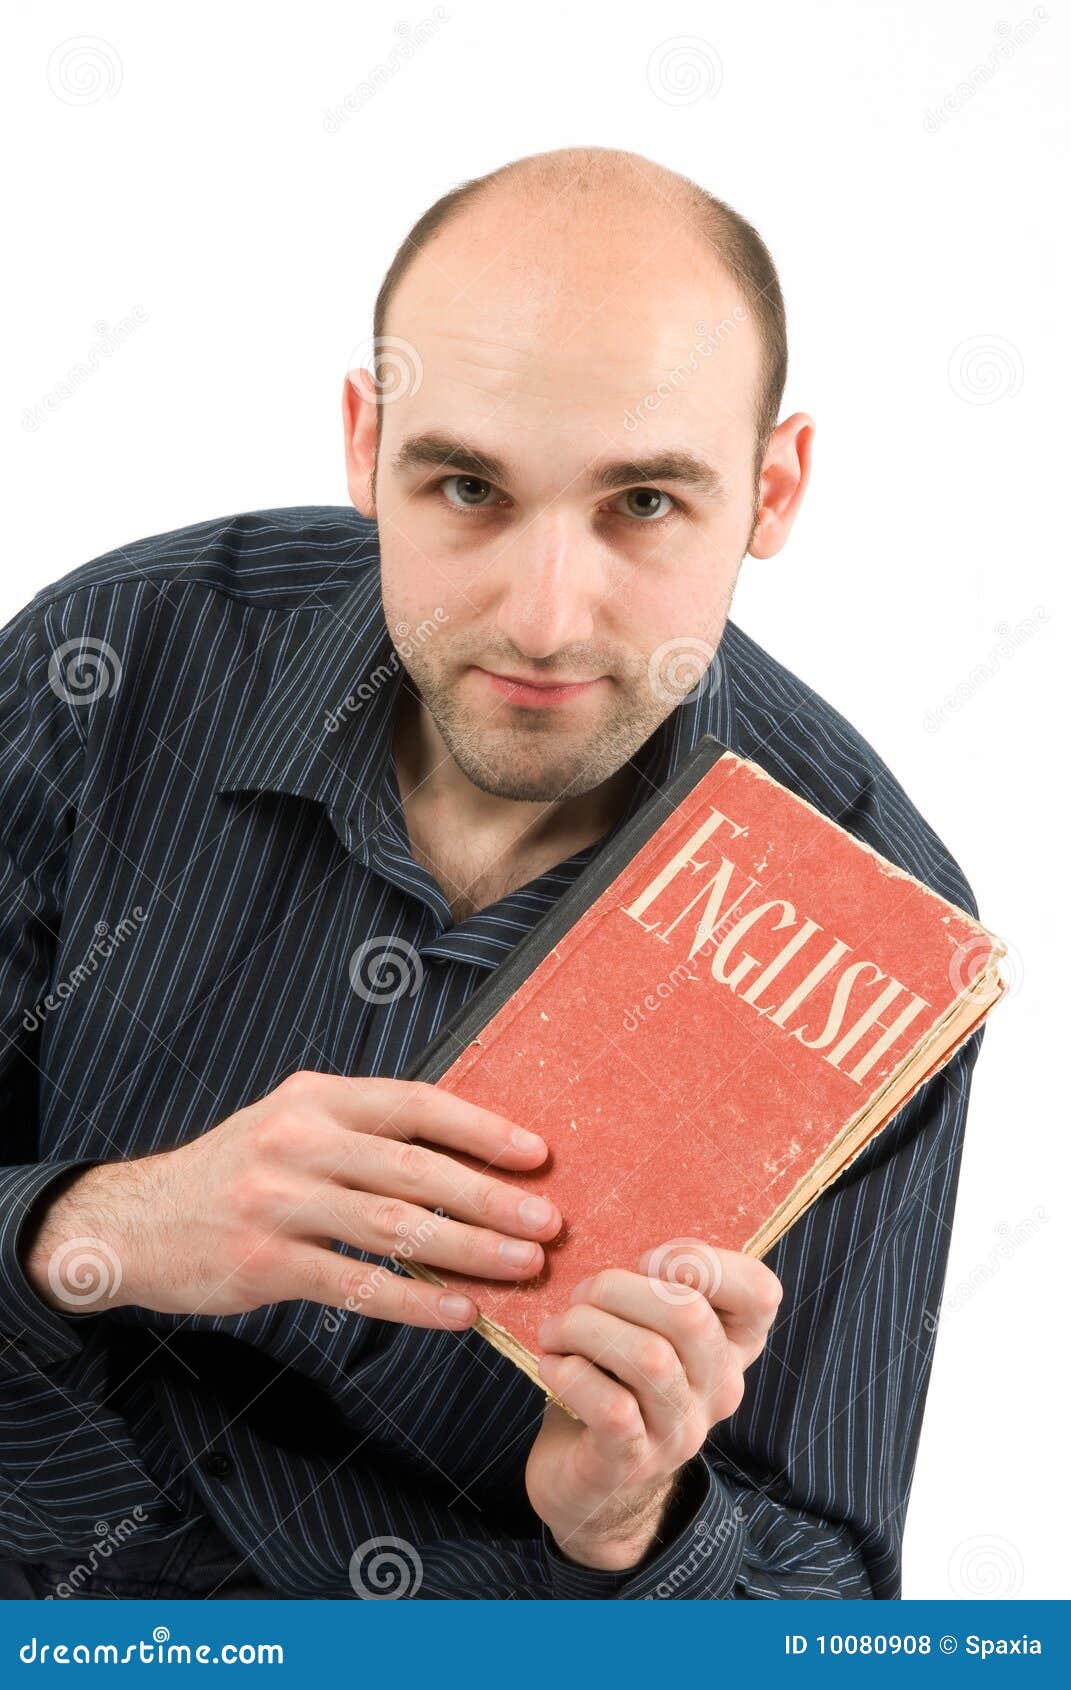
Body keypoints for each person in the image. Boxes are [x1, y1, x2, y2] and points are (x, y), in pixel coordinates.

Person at [0, 146, 986, 1600]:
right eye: (467, 486)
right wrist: (108, 1226)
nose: (544, 617)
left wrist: (632, 1521)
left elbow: (825, 1602)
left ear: (774, 490)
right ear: (363, 444)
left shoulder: (869, 923)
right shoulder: (119, 664)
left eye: (644, 504)